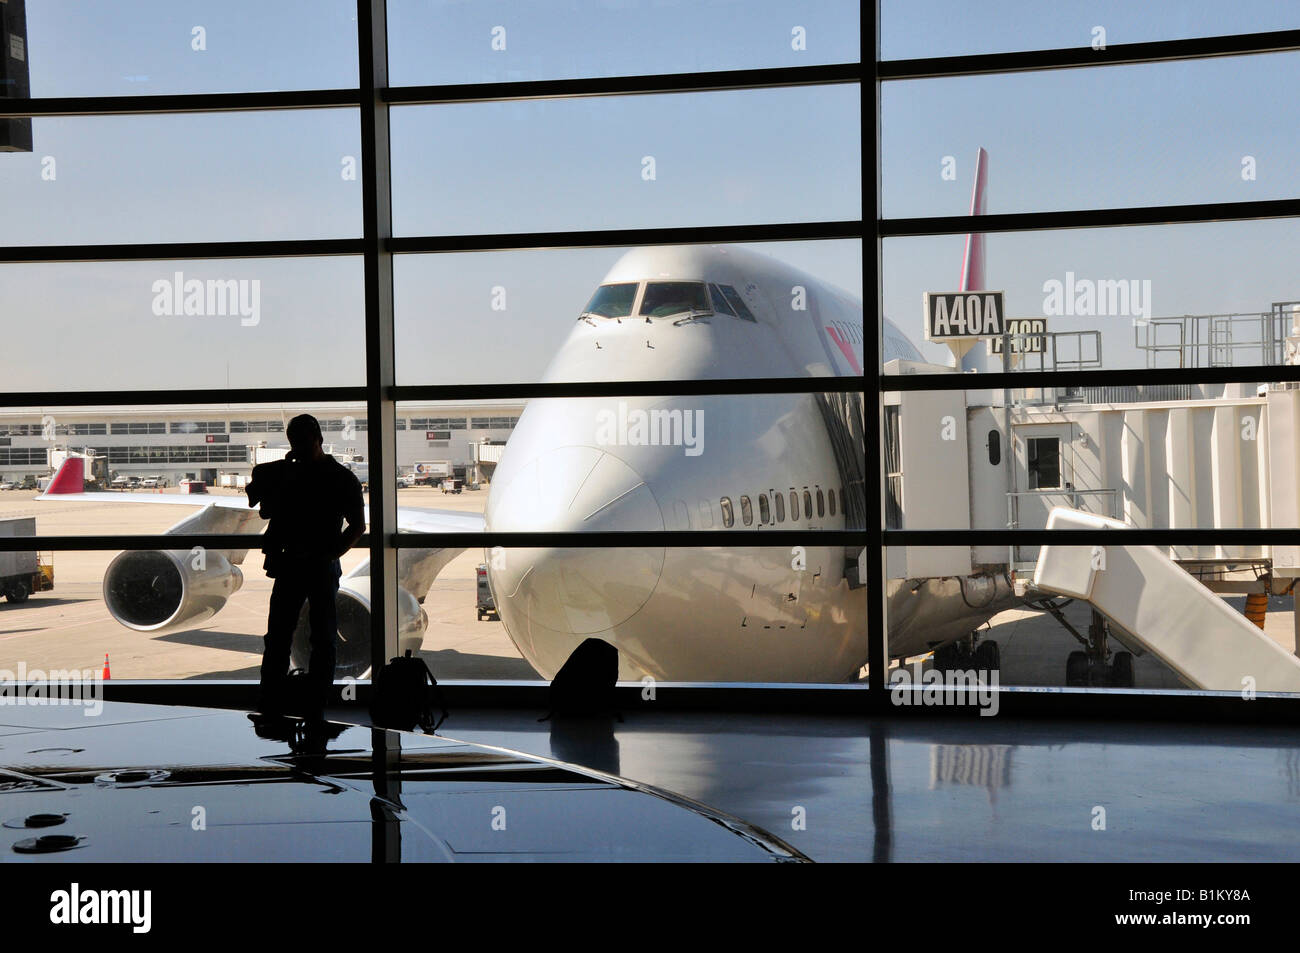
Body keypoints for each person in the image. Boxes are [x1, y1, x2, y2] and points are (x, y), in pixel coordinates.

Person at [246, 414, 365, 721]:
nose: (296, 448)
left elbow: (264, 512)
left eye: (299, 442)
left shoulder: (286, 475)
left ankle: (272, 698)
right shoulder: (340, 478)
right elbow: (357, 526)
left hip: (295, 565)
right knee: (318, 637)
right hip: (316, 567)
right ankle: (315, 701)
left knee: (283, 635)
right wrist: (330, 555)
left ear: (314, 440)